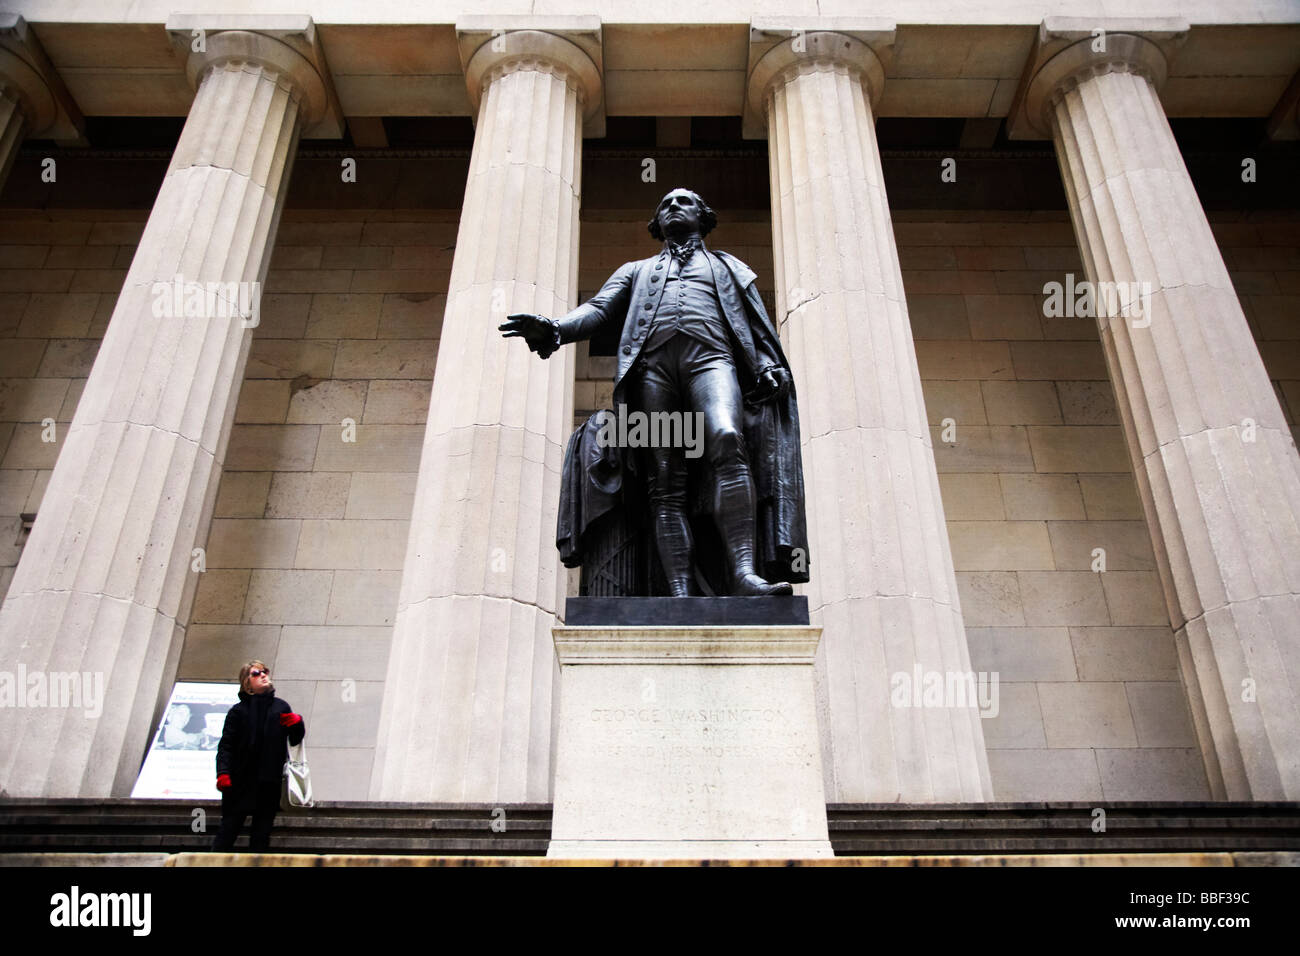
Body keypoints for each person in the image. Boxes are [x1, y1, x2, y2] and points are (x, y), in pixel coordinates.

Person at [500, 187, 809, 596]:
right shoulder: (635, 271)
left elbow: (756, 324)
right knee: (665, 476)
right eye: (665, 204)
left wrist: (769, 364)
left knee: (726, 436)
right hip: (653, 372)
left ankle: (744, 574)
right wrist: (556, 329)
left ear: (704, 215)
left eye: (684, 201)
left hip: (712, 362)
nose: (673, 207)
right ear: (656, 224)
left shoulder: (730, 268)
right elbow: (597, 310)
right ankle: (678, 591)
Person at [211, 660, 305, 852]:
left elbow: (295, 741)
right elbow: (226, 746)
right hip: (239, 783)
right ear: (247, 682)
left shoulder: (281, 707)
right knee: (227, 832)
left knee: (261, 838)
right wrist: (223, 773)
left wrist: (298, 724)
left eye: (265, 671)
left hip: (269, 784)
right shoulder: (237, 712)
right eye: (256, 673)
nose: (263, 675)